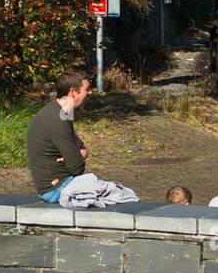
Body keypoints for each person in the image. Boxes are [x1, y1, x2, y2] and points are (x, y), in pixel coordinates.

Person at [26, 70, 136, 206]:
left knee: (120, 191)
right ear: (73, 92)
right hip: (57, 189)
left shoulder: (60, 111)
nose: (90, 93)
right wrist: (82, 153)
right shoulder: (58, 119)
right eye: (87, 89)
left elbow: (77, 149)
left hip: (60, 183)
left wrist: (80, 152)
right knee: (127, 195)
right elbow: (77, 167)